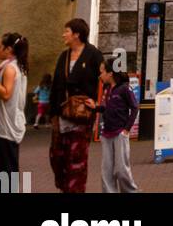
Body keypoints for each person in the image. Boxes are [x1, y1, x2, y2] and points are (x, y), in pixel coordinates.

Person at [48, 17, 103, 193]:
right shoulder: (64, 56)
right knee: (58, 157)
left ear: (77, 34)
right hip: (62, 114)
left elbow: (105, 80)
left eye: (67, 31)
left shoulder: (93, 55)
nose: (64, 34)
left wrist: (95, 101)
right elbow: (56, 85)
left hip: (81, 116)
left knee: (77, 159)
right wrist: (53, 114)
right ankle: (65, 187)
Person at [92, 63, 140, 193]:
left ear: (110, 73)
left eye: (102, 72)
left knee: (121, 169)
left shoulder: (124, 89)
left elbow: (135, 107)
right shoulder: (107, 89)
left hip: (120, 133)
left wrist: (127, 129)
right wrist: (95, 107)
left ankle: (131, 191)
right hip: (106, 134)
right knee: (107, 170)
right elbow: (106, 108)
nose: (100, 75)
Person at [0, 33, 29, 187]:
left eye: (0, 47)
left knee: (5, 171)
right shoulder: (15, 65)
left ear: (9, 49)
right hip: (7, 126)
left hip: (8, 126)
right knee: (1, 170)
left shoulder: (10, 69)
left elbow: (6, 94)